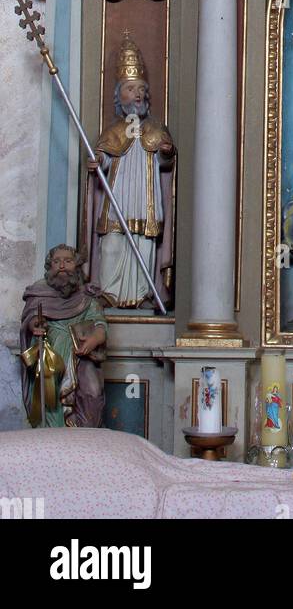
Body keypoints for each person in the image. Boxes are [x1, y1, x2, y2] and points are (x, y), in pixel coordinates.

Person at [85, 32, 176, 308]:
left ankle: (142, 294)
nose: (137, 94)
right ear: (119, 94)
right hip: (118, 198)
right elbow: (106, 157)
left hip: (145, 200)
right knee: (112, 243)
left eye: (140, 89)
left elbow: (166, 166)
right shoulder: (112, 130)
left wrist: (166, 153)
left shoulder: (157, 128)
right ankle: (110, 292)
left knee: (144, 245)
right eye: (130, 88)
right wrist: (98, 161)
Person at [20, 245, 106, 428]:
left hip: (82, 354)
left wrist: (95, 339)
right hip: (50, 350)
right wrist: (35, 324)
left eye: (68, 261)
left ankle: (86, 440)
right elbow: (31, 318)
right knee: (49, 392)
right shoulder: (39, 292)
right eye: (56, 261)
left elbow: (99, 323)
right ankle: (53, 436)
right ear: (49, 266)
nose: (62, 266)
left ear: (76, 265)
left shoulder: (86, 296)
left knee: (93, 391)